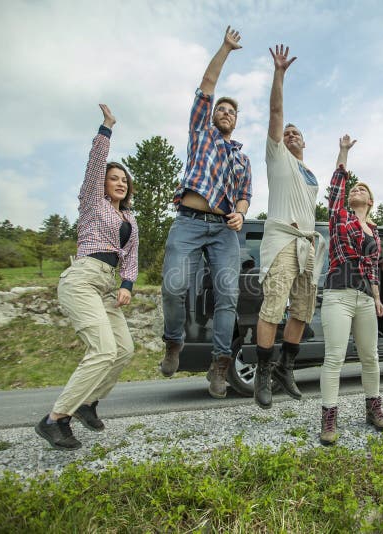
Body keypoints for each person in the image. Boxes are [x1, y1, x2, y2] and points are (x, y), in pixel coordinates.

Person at [35, 104, 139, 450]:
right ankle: (56, 419)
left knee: (124, 350)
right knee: (102, 350)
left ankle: (87, 403)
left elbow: (131, 259)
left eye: (124, 179)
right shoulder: (93, 201)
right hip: (82, 279)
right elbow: (96, 164)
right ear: (103, 184)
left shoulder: (130, 220)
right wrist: (106, 128)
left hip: (107, 286)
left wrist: (126, 285)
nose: (120, 182)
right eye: (114, 178)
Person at [159, 26, 252, 399]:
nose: (225, 113)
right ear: (212, 115)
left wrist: (241, 214)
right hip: (189, 222)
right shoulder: (201, 132)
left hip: (224, 231)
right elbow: (208, 83)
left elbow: (244, 195)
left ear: (237, 120)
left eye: (231, 112)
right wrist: (226, 48)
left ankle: (220, 364)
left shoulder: (241, 157)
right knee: (174, 285)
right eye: (221, 109)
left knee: (228, 296)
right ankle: (173, 343)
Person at [253, 44, 326, 409]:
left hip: (307, 247)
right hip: (283, 240)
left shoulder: (310, 174)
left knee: (302, 311)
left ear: (305, 142)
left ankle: (286, 367)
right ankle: (263, 376)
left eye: (298, 133)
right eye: (289, 132)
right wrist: (279, 73)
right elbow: (276, 111)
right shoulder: (277, 155)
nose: (292, 134)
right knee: (273, 308)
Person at [318, 134, 383, 445]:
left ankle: (374, 410)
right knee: (334, 357)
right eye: (354, 189)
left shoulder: (374, 229)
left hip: (364, 298)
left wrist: (377, 298)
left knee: (370, 357)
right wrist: (343, 151)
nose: (356, 190)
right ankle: (329, 419)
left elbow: (373, 267)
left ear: (371, 201)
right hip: (338, 294)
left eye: (363, 189)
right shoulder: (339, 216)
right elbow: (336, 185)